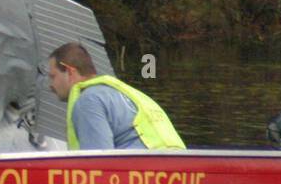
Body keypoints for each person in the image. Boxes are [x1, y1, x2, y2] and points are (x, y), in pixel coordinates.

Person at [46, 42, 185, 151]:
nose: (50, 85)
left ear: (70, 72)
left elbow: (98, 165)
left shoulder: (87, 101)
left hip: (143, 174)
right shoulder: (125, 93)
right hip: (179, 170)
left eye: (53, 76)